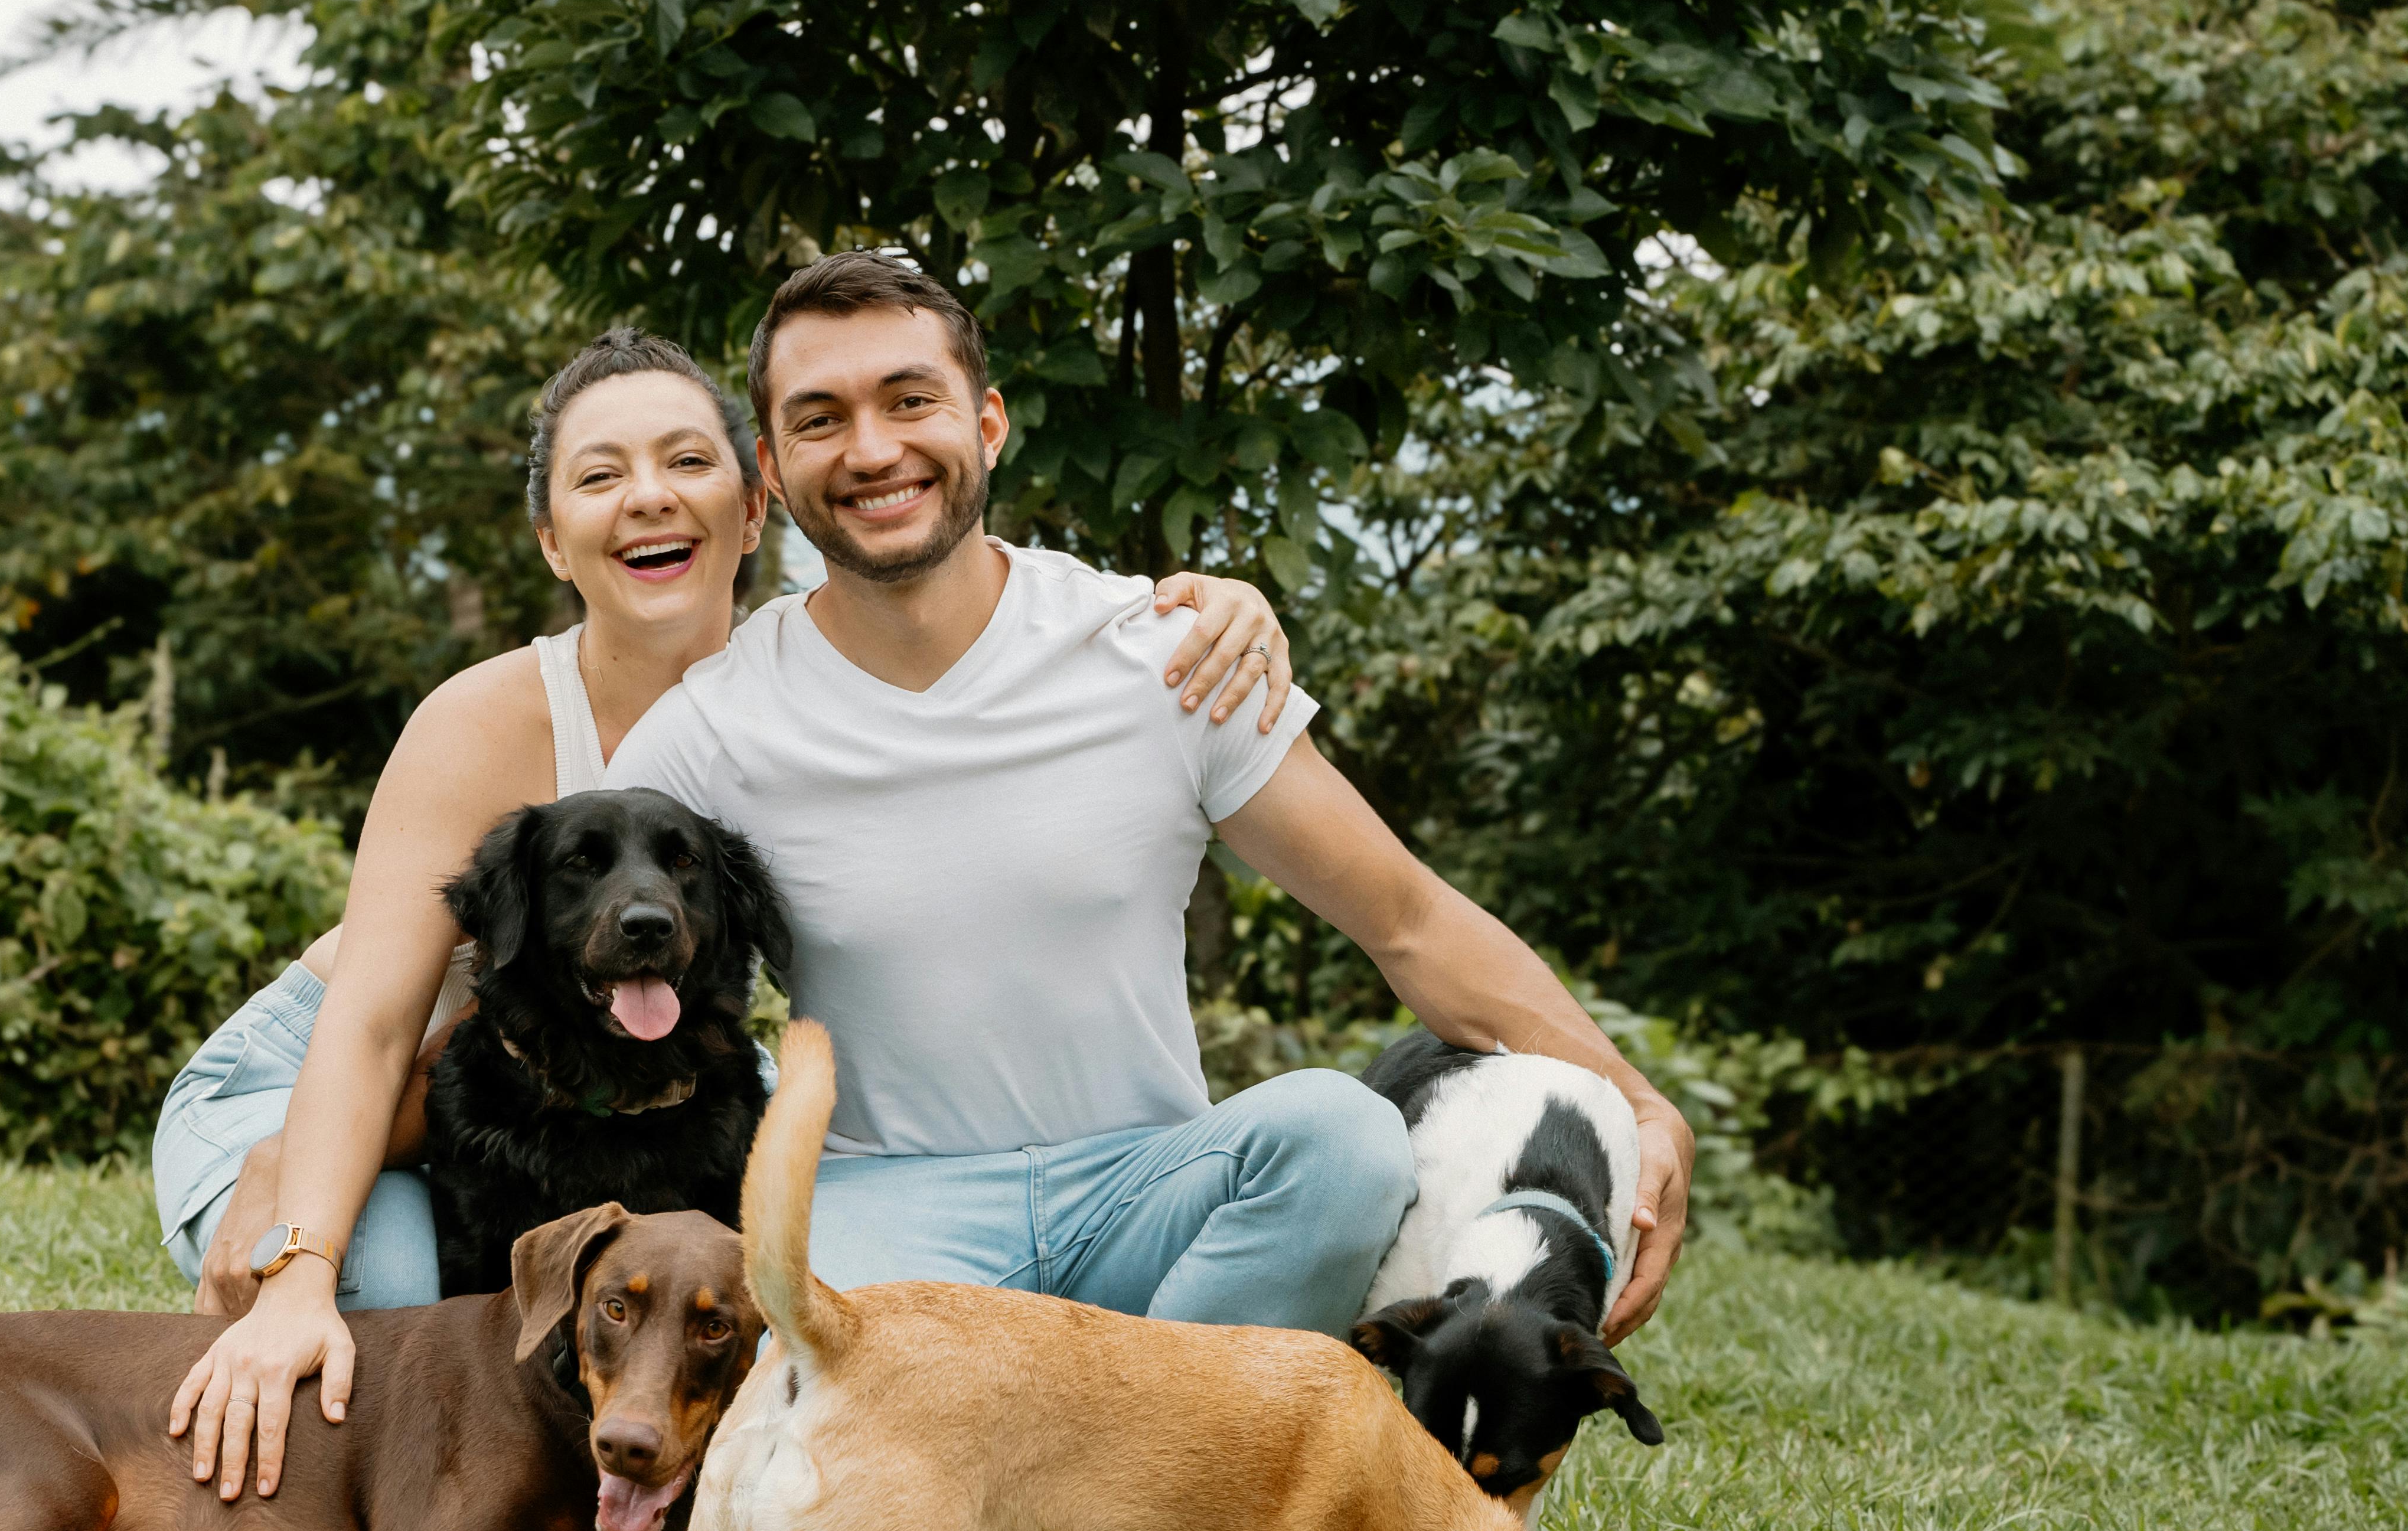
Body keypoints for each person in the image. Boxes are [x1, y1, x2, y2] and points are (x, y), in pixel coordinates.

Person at [155, 323, 1300, 1498]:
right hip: (340, 1070)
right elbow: (374, 1029)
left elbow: (996, 655)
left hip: (617, 1077)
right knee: (396, 1311)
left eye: (688, 461)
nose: (649, 496)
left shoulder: (800, 689)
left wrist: (1216, 603)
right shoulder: (486, 719)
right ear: (551, 538)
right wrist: (299, 1235)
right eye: (600, 475)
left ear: (756, 508)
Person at [601, 252, 1696, 1358]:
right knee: (792, 1332)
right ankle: (1116, 1443)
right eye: (820, 419)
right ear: (772, 469)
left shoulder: (1166, 657)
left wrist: (1640, 1105)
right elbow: (570, 937)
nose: (873, 449)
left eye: (911, 400)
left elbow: (1408, 921)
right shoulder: (712, 729)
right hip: (892, 1208)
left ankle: (1132, 1427)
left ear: (988, 424)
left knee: (1345, 1139)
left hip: (1152, 1197)